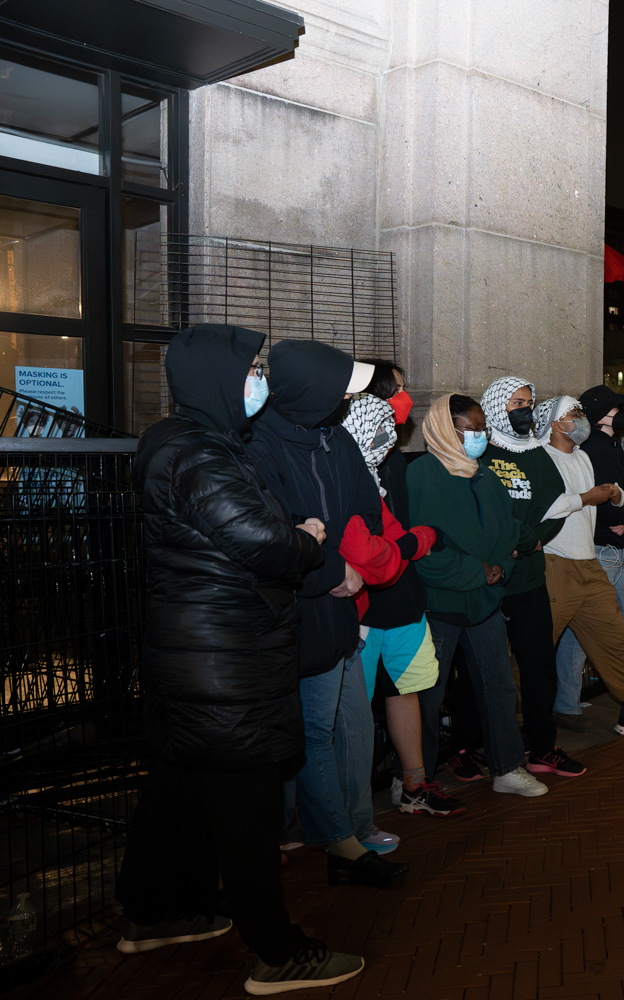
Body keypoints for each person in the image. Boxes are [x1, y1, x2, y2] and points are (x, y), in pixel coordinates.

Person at [119, 325, 363, 994]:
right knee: (248, 808)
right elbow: (258, 541)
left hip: (196, 648)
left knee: (177, 788)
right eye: (253, 369)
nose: (260, 380)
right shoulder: (199, 452)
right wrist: (306, 538)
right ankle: (278, 953)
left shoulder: (187, 443)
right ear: (216, 378)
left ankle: (158, 911)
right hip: (226, 656)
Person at [246, 341, 409, 889]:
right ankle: (338, 842)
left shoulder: (334, 437)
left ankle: (342, 832)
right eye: (338, 389)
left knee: (344, 725)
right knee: (314, 729)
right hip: (299, 610)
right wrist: (332, 570)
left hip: (341, 608)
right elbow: (274, 535)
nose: (346, 400)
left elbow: (364, 511)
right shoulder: (259, 443)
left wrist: (352, 563)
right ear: (311, 389)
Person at [409, 394, 547, 797]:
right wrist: (476, 571)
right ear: (444, 428)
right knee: (429, 695)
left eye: (483, 428)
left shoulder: (484, 474)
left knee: (499, 686)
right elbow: (421, 548)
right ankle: (417, 778)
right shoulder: (420, 475)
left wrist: (501, 565)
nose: (480, 436)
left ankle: (507, 767)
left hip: (486, 600)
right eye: (471, 429)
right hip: (441, 603)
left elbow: (507, 529)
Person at [341, 382, 465, 819]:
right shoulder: (342, 474)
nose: (389, 435)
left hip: (402, 601)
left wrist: (411, 543)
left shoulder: (380, 467)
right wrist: (417, 542)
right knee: (352, 710)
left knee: (406, 689)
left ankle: (413, 784)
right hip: (360, 610)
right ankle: (349, 812)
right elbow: (374, 550)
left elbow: (394, 535)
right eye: (379, 426)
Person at [535, 395, 624, 735]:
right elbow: (546, 508)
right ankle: (530, 725)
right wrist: (590, 498)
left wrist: (615, 495)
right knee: (537, 648)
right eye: (574, 414)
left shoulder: (583, 457)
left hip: (589, 563)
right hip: (557, 563)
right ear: (555, 424)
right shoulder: (541, 460)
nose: (581, 420)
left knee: (616, 639)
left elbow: (612, 493)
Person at [472, 377, 590, 775]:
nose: (525, 409)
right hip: (488, 576)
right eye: (515, 403)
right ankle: (472, 746)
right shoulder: (481, 452)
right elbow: (483, 512)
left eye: (528, 402)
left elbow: (556, 506)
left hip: (528, 576)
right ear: (495, 407)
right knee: (481, 669)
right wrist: (508, 544)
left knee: (539, 665)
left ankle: (542, 747)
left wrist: (532, 541)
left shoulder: (537, 453)